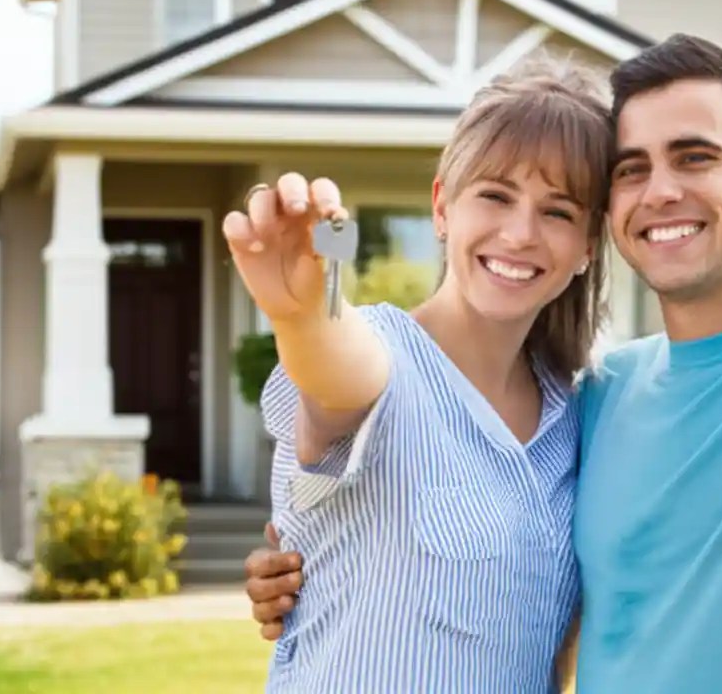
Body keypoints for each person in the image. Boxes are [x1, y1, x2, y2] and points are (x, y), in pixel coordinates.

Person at [245, 34, 722, 693]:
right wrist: (302, 320)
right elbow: (344, 377)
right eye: (632, 170)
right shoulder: (599, 397)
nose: (661, 191)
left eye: (694, 158)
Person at [224, 56, 613, 693]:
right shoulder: (385, 357)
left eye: (559, 212)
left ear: (589, 245)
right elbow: (338, 373)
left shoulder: (578, 418)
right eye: (495, 195)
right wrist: (302, 315)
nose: (520, 233)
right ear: (442, 207)